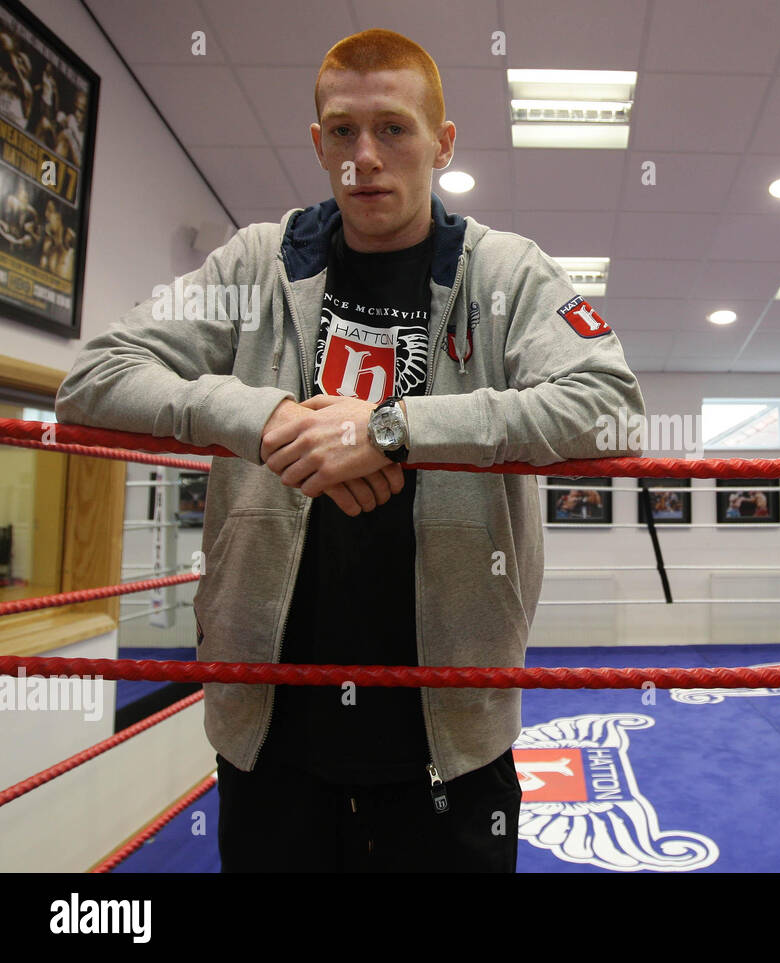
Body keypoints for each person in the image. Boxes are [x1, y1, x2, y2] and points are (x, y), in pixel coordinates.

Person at [55, 28, 645, 872]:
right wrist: (261, 416)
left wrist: (392, 430)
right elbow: (94, 379)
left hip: (452, 736)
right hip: (272, 731)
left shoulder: (506, 274)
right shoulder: (260, 262)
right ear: (317, 141)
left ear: (442, 143)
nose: (365, 157)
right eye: (342, 131)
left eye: (394, 129)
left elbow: (610, 404)